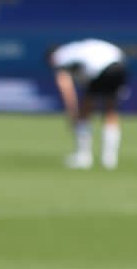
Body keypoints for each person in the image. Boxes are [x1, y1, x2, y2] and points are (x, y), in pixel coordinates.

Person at [49, 38, 128, 170]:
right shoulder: (76, 49)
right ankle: (109, 159)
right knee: (110, 111)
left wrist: (73, 112)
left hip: (101, 68)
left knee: (85, 111)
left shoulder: (61, 56)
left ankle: (83, 157)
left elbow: (64, 84)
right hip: (119, 65)